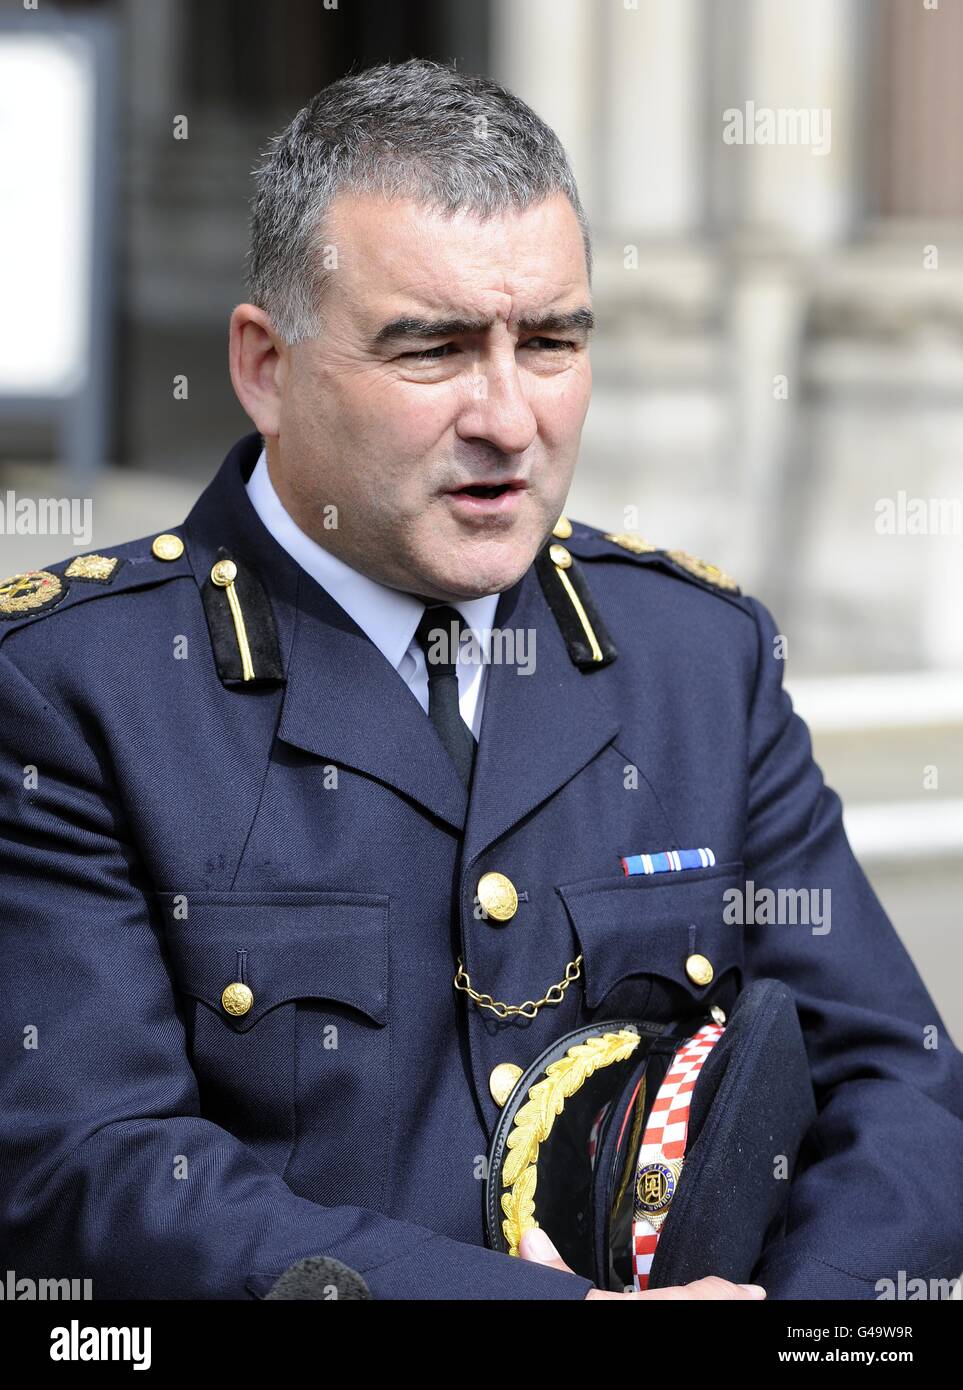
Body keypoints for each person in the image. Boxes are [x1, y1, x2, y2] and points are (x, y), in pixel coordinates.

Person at [1, 59, 960, 1302]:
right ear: (265, 365)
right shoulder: (79, 689)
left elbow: (901, 1086)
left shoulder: (696, 659)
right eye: (433, 349)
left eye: (551, 341)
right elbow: (95, 1172)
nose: (509, 417)